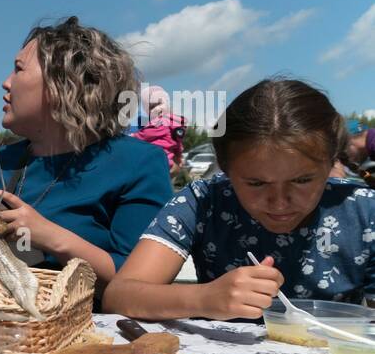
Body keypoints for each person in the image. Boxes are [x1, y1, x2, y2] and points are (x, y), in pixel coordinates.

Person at [104, 78, 375, 320]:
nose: (279, 202)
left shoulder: (364, 212)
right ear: (225, 168)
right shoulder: (202, 203)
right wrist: (204, 299)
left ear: (331, 164)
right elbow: (119, 295)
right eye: (256, 183)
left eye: (302, 180)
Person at [0, 16, 172, 283]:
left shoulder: (139, 163)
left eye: (18, 69)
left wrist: (50, 237)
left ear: (64, 84)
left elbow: (140, 283)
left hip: (86, 323)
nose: (6, 83)